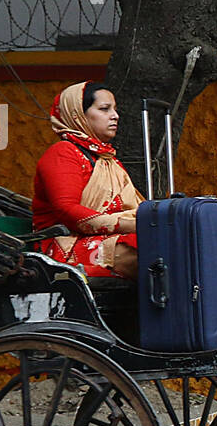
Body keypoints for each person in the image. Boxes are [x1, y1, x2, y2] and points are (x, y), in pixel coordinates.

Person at [32, 81, 143, 279]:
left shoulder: (108, 160)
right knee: (154, 253)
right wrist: (132, 224)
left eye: (114, 109)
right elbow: (67, 210)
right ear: (78, 115)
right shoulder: (63, 153)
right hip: (66, 247)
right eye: (104, 109)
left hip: (110, 239)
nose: (115, 116)